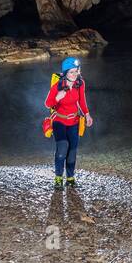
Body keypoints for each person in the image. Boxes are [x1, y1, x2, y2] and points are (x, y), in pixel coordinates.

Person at [46, 57, 93, 187]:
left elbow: (82, 101)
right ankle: (58, 178)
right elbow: (47, 103)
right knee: (62, 149)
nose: (74, 74)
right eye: (71, 72)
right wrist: (57, 97)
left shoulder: (80, 83)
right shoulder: (58, 86)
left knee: (72, 152)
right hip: (59, 121)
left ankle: (70, 178)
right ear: (65, 73)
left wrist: (87, 115)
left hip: (74, 121)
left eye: (76, 71)